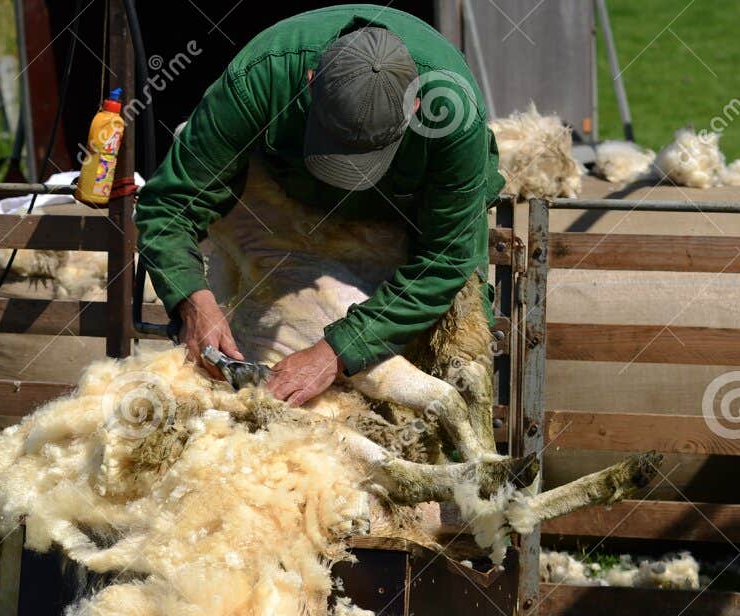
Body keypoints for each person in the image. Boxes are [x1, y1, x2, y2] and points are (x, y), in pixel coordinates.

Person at [136, 5, 503, 405]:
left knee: (459, 350)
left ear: (416, 106)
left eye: (368, 155)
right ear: (311, 82)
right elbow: (170, 203)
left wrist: (334, 353)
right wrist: (193, 301)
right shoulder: (263, 77)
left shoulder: (453, 112)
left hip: (406, 214)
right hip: (290, 208)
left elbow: (444, 259)